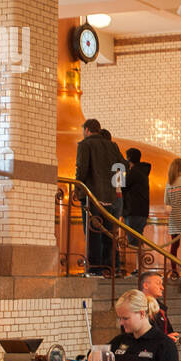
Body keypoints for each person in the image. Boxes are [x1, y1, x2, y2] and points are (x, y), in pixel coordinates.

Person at [74, 118, 125, 275]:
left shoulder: (85, 144)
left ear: (87, 130)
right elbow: (121, 165)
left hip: (91, 196)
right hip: (110, 197)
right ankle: (108, 267)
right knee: (108, 232)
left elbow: (82, 169)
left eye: (84, 131)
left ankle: (94, 268)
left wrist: (77, 187)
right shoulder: (112, 145)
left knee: (92, 232)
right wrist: (113, 185)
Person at [122, 147, 151, 273]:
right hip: (142, 211)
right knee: (138, 239)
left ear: (129, 159)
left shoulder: (134, 173)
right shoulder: (143, 172)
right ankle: (140, 268)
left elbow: (120, 185)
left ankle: (140, 268)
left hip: (133, 211)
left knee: (134, 240)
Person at [139, 269, 179, 343]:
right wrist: (163, 339)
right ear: (146, 285)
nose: (162, 288)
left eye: (162, 284)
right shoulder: (137, 306)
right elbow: (140, 335)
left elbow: (168, 331)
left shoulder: (161, 308)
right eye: (158, 283)